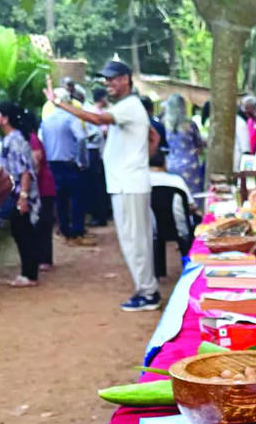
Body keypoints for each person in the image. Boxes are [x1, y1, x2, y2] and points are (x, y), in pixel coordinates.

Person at [44, 61, 160, 312]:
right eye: (106, 80)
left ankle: (148, 292)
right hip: (126, 182)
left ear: (127, 79)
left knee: (134, 241)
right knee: (133, 239)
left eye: (114, 79)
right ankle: (147, 289)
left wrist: (59, 104)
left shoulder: (129, 106)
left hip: (128, 184)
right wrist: (139, 159)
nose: (108, 83)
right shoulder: (129, 106)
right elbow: (154, 137)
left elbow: (96, 119)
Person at [0, 101, 40, 287]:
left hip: (21, 193)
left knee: (24, 233)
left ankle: (30, 275)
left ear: (5, 118)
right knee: (20, 232)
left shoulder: (16, 140)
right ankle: (27, 273)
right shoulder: (9, 139)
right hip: (15, 193)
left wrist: (23, 197)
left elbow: (25, 171)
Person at [39, 90, 92, 246]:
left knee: (60, 199)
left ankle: (64, 228)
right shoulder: (70, 118)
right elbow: (82, 138)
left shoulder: (46, 120)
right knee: (77, 198)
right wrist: (81, 159)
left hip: (52, 164)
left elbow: (41, 141)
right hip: (70, 163)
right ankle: (77, 230)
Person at [149, 148, 196, 277]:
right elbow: (191, 206)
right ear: (164, 164)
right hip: (179, 227)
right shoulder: (176, 180)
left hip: (152, 229)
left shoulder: (142, 182)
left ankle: (158, 272)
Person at [20, 110, 56, 270]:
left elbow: (36, 164)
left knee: (43, 222)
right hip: (40, 187)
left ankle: (44, 259)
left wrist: (27, 188)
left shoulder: (32, 139)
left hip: (43, 187)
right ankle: (41, 257)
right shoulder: (28, 138)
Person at [162, 94, 202, 193]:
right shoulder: (190, 124)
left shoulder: (164, 124)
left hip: (171, 164)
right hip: (190, 165)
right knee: (193, 195)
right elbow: (199, 145)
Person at [86, 87, 110, 226]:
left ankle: (102, 214)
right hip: (95, 153)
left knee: (100, 185)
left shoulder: (102, 113)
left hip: (101, 153)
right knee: (97, 185)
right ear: (102, 99)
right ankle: (100, 215)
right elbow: (100, 134)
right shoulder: (94, 114)